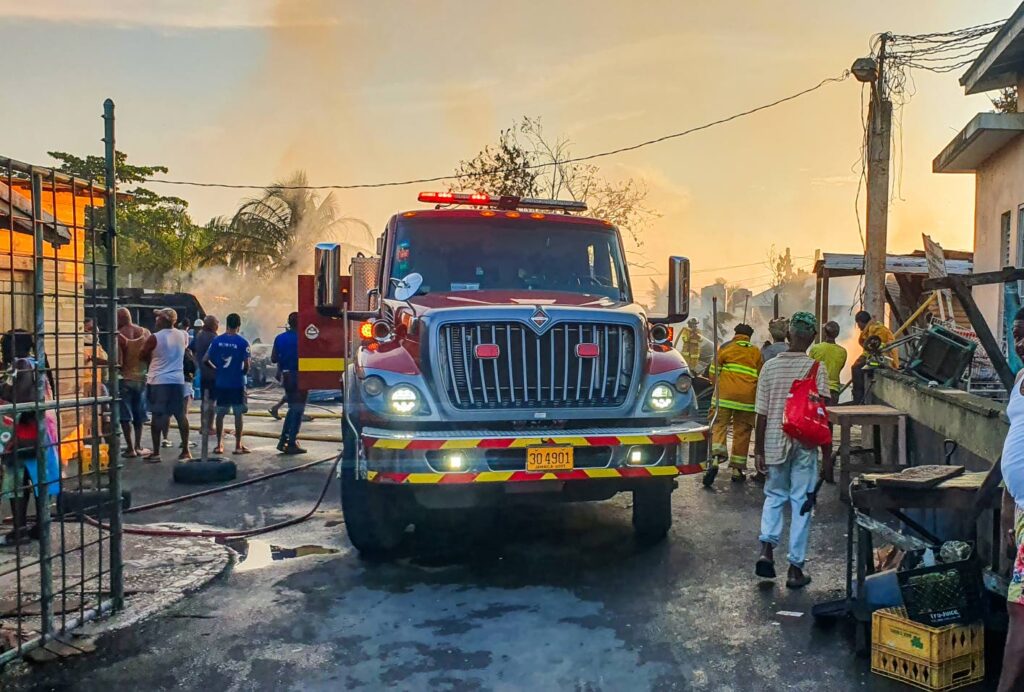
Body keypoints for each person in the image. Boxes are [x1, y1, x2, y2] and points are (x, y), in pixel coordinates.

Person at [753, 312, 832, 589]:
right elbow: (822, 414)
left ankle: (766, 550)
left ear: (788, 337)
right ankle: (795, 569)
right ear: (812, 338)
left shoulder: (769, 367)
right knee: (801, 503)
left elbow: (760, 414)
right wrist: (827, 455)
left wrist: (759, 450)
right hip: (805, 443)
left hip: (774, 441)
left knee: (774, 496)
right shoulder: (816, 368)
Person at [0, 330, 61, 544]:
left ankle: (20, 530)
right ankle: (40, 526)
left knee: (16, 479)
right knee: (38, 477)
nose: (3, 350)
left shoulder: (21, 365)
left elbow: (20, 395)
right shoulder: (38, 362)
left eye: (5, 345)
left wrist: (3, 389)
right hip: (43, 428)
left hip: (24, 428)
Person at [998, 309, 1024, 690]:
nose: (1021, 344)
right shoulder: (1020, 379)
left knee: (1019, 609)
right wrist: (1008, 514)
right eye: (1017, 335)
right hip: (1020, 510)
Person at [707, 323, 763, 482]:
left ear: (735, 334)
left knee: (719, 425)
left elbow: (713, 373)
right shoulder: (755, 352)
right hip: (747, 400)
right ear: (749, 337)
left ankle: (716, 459)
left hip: (724, 397)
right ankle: (737, 471)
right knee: (742, 432)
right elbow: (760, 375)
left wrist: (719, 386)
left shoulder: (726, 348)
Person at [140, 308, 190, 462]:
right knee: (180, 414)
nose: (156, 320)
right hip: (177, 381)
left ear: (163, 320)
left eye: (158, 318)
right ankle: (186, 450)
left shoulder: (154, 338)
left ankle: (156, 453)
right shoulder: (183, 335)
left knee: (157, 415)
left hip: (159, 381)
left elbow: (142, 354)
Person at [204, 313, 251, 455]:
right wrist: (242, 373)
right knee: (238, 414)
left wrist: (216, 369)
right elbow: (247, 364)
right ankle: (238, 445)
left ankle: (219, 445)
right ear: (239, 325)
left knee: (220, 413)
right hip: (237, 383)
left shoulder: (217, 341)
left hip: (221, 382)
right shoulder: (243, 342)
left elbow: (205, 360)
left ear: (227, 324)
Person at [115, 307, 151, 458]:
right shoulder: (145, 332)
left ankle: (130, 448)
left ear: (119, 319)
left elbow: (119, 362)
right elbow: (150, 356)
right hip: (142, 379)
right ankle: (138, 445)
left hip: (126, 379)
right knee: (139, 414)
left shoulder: (119, 336)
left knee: (125, 415)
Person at [273, 312, 307, 455]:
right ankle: (290, 442)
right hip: (301, 376)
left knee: (292, 408)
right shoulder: (304, 339)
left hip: (286, 376)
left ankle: (285, 440)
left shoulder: (279, 338)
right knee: (297, 410)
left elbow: (274, 358)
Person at [851, 310, 900, 404]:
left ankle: (858, 399)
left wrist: (862, 360)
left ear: (861, 321)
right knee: (858, 366)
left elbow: (876, 348)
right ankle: (859, 398)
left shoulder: (876, 330)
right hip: (877, 358)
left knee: (856, 368)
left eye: (858, 324)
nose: (858, 327)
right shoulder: (870, 329)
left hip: (886, 360)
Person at [191, 315, 219, 437]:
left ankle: (203, 426)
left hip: (202, 373)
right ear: (212, 325)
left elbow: (189, 349)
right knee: (212, 402)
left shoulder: (199, 336)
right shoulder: (215, 338)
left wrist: (195, 361)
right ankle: (210, 427)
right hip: (213, 373)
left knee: (204, 401)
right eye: (216, 323)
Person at [808, 321, 848, 403]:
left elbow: (809, 368)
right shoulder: (842, 351)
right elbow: (840, 367)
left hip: (818, 389)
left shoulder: (816, 348)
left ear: (825, 333)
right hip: (834, 391)